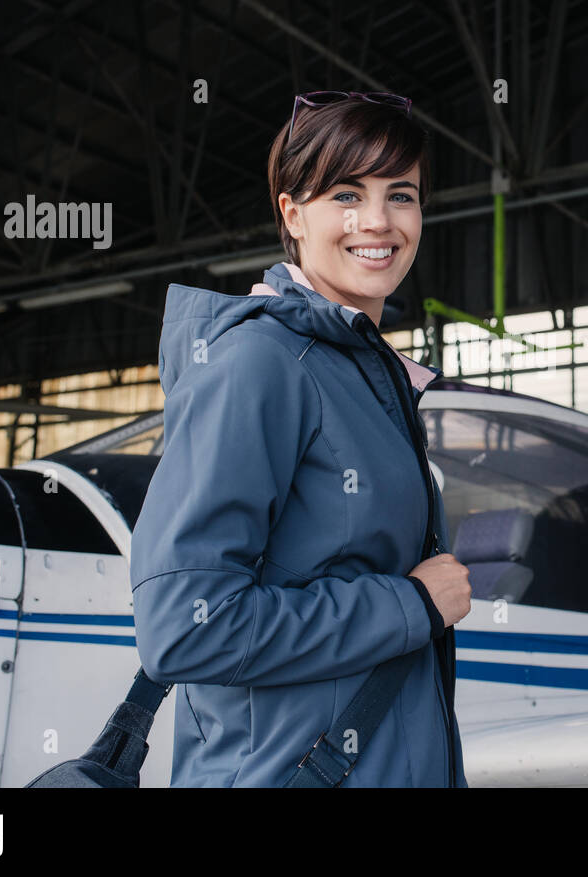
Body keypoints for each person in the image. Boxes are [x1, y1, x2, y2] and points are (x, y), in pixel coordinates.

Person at [129, 90, 471, 787]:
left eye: (400, 195)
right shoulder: (261, 363)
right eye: (347, 193)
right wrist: (410, 605)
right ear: (292, 213)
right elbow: (185, 625)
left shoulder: (367, 375)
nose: (377, 220)